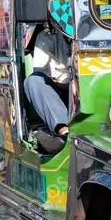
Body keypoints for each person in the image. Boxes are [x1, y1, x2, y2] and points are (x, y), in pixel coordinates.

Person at [23, 24, 70, 154]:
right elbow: (46, 74)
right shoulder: (47, 37)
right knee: (33, 81)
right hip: (62, 89)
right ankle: (63, 130)